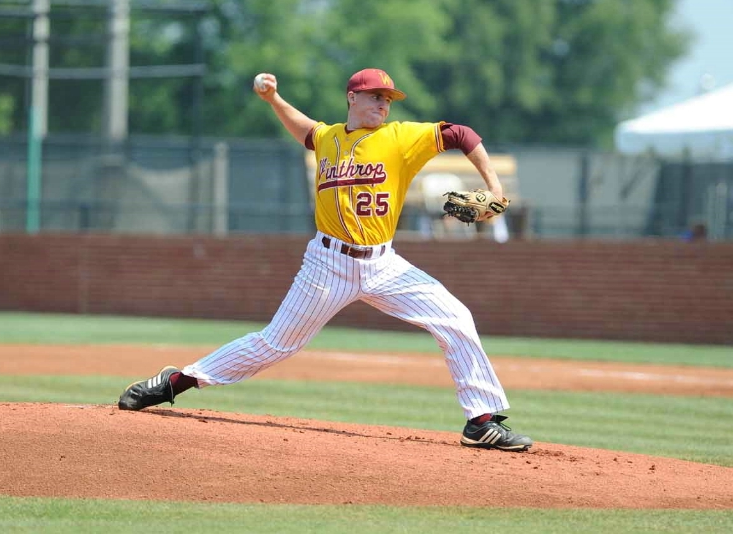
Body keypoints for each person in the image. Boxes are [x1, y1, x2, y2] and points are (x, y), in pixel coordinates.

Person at [118, 68, 533, 452]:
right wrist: (274, 99)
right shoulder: (329, 138)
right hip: (327, 264)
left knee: (455, 318)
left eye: (388, 99)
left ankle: (480, 421)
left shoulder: (401, 137)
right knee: (275, 344)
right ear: (352, 98)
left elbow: (461, 133)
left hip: (384, 265)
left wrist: (494, 188)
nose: (384, 104)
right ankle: (175, 381)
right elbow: (305, 130)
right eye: (375, 96)